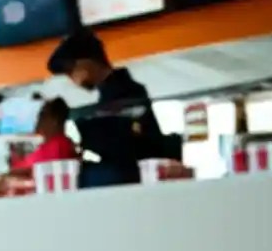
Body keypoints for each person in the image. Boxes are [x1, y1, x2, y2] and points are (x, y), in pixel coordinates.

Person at [46, 29, 164, 187]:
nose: (72, 79)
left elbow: (127, 147)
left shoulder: (126, 93)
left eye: (71, 72)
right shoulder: (112, 94)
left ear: (84, 63)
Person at [12, 98, 77, 171]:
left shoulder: (58, 146)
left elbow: (21, 169)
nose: (37, 121)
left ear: (54, 120)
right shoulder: (59, 144)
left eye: (42, 115)